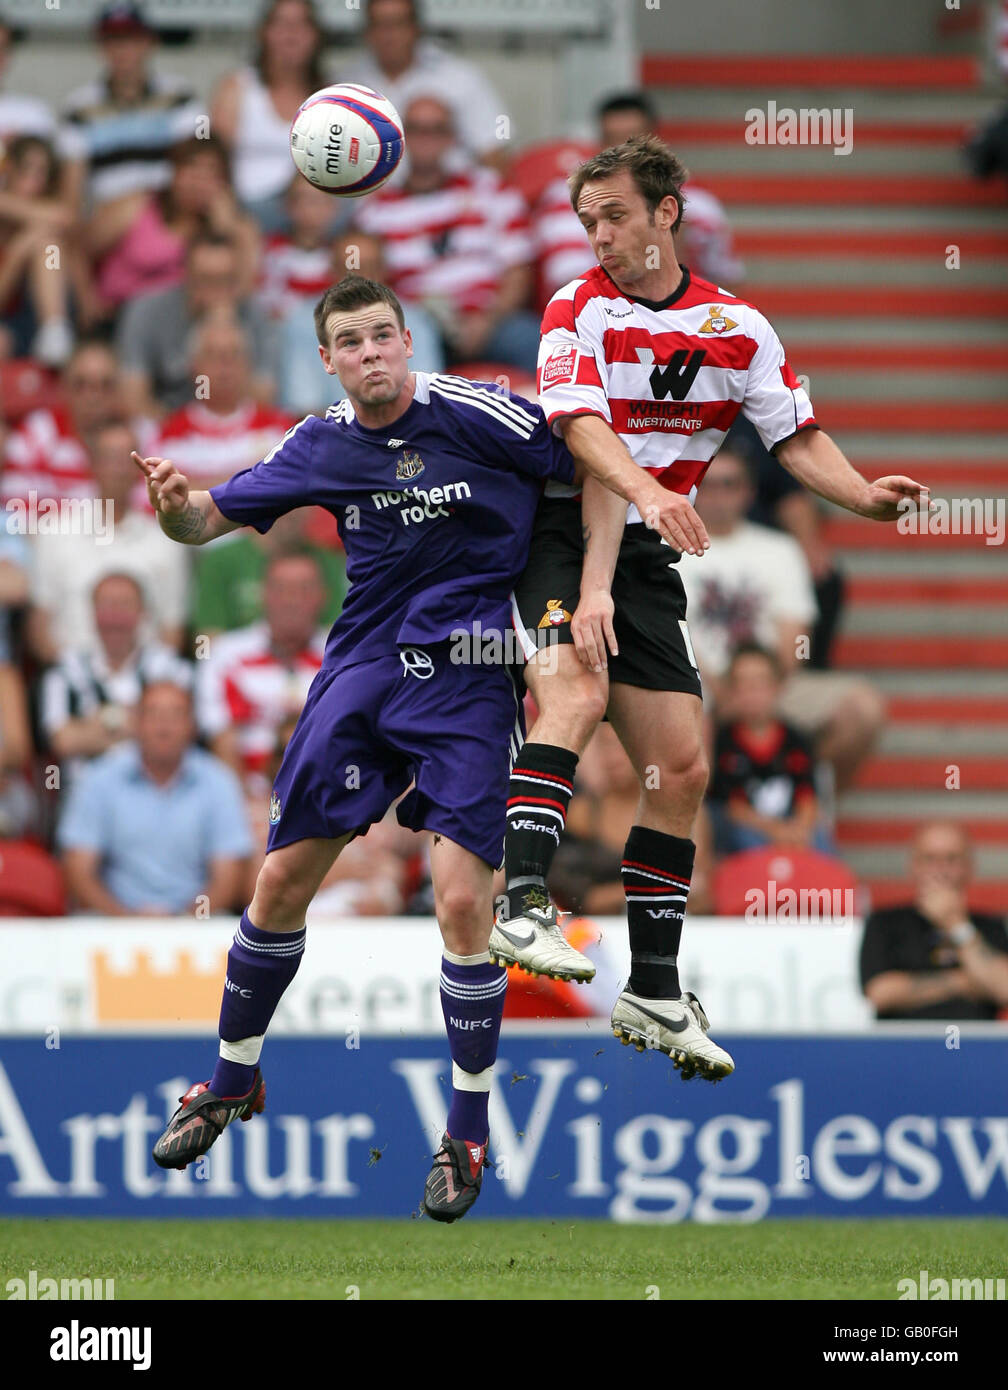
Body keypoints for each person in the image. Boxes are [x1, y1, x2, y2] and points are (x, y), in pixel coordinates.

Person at [134, 271, 685, 1220]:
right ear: (327, 361)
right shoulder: (321, 442)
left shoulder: (483, 417)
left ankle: (466, 1133)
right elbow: (204, 520)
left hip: (469, 678)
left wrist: (592, 586)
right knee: (278, 886)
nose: (372, 354)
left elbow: (590, 462)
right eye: (351, 343)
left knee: (463, 903)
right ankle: (230, 1079)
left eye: (384, 335)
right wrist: (175, 506)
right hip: (363, 673)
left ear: (407, 340)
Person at [489, 135, 931, 1084]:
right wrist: (645, 495)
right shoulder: (578, 309)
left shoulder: (740, 326)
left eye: (614, 216)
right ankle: (522, 901)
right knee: (572, 695)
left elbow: (793, 434)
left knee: (682, 766)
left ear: (667, 213)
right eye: (587, 221)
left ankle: (652, 987)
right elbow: (579, 427)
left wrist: (859, 496)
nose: (598, 236)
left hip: (645, 538)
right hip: (556, 527)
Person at [679, 445, 885, 792]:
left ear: (748, 491)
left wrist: (759, 692)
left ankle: (796, 787)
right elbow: (675, 634)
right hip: (695, 691)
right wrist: (723, 695)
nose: (718, 495)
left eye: (729, 483)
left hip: (773, 687)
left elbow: (794, 638)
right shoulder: (666, 550)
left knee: (863, 709)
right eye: (708, 484)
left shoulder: (781, 549)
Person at [354, 94, 539, 371]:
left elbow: (518, 269)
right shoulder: (375, 209)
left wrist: (487, 319)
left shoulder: (489, 189)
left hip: (491, 320)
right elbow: (369, 283)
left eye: (436, 129)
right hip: (416, 329)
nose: (426, 138)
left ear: (452, 137)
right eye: (416, 130)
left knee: (537, 340)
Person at [532, 92, 743, 313]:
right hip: (600, 324)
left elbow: (727, 280)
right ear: (600, 143)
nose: (622, 151)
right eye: (613, 140)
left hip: (686, 325)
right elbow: (569, 283)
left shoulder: (699, 203)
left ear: (654, 141)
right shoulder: (567, 199)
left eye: (632, 140)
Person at [58, 679, 252, 916]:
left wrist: (182, 922)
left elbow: (229, 876)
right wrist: (126, 921)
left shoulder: (219, 782)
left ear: (192, 725)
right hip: (111, 922)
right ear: (136, 723)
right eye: (154, 714)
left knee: (230, 932)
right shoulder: (98, 779)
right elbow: (78, 871)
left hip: (197, 924)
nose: (164, 726)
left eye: (176, 715)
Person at [27, 418, 188, 662]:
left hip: (144, 686)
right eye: (110, 458)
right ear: (92, 464)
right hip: (71, 680)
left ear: (142, 470)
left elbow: (172, 631)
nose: (119, 469)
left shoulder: (167, 542)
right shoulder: (53, 533)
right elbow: (39, 628)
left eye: (128, 460)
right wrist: (77, 678)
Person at [40, 570, 192, 790]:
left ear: (143, 613)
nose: (115, 618)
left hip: (158, 793)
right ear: (92, 613)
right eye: (107, 606)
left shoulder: (172, 668)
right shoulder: (64, 669)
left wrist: (95, 725)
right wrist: (139, 722)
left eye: (124, 605)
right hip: (85, 798)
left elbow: (178, 737)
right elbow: (63, 741)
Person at [195, 548, 328, 795]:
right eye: (281, 589)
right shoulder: (226, 654)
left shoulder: (342, 657)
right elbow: (222, 741)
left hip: (328, 797)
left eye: (304, 589)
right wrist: (247, 807)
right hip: (247, 799)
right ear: (263, 594)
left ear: (324, 596)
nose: (292, 600)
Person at [85, 134, 261, 320]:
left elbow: (244, 293)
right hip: (116, 314)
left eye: (210, 173)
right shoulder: (135, 206)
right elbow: (78, 251)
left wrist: (225, 230)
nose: (198, 181)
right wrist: (87, 300)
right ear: (173, 171)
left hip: (190, 324)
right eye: (191, 168)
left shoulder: (240, 229)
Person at [276, 227, 444, 414]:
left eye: (369, 268)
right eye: (350, 269)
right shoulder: (302, 324)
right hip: (331, 436)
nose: (360, 280)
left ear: (384, 271)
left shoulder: (415, 321)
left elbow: (424, 400)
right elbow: (303, 409)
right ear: (332, 271)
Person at [116, 231, 278, 417]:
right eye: (207, 280)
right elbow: (133, 398)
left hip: (235, 432)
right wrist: (181, 433)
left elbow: (262, 400)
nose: (217, 291)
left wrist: (227, 335)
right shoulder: (148, 311)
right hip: (166, 426)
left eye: (226, 280)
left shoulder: (255, 315)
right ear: (186, 277)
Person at [59, 2, 202, 212]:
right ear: (101, 48)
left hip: (168, 217)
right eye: (114, 40)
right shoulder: (78, 108)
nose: (123, 49)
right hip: (107, 222)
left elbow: (199, 163)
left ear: (149, 42)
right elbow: (70, 195)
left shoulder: (180, 96)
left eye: (131, 38)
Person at [860, 821, 1008, 1020]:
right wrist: (965, 982)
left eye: (952, 859)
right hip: (902, 1045)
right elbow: (880, 994)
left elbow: (1004, 988)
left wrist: (957, 924)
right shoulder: (884, 922)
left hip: (975, 1045)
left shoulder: (989, 925)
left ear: (970, 867)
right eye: (930, 859)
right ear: (913, 866)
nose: (941, 869)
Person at [346, 0, 512, 170]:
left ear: (417, 28)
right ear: (366, 32)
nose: (388, 35)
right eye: (379, 25)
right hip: (368, 195)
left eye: (398, 24)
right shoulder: (346, 85)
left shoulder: (459, 77)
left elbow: (493, 153)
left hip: (449, 193)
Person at [211, 0, 330, 231]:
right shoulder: (237, 88)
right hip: (248, 214)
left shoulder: (333, 96)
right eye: (282, 24)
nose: (291, 34)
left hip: (314, 217)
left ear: (316, 35)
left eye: (301, 24)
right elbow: (214, 165)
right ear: (264, 32)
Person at [706, 643, 833, 857]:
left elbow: (807, 796)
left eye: (759, 683)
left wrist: (800, 828)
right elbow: (729, 806)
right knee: (747, 842)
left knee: (820, 844)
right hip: (746, 829)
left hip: (792, 824)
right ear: (730, 691)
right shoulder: (723, 741)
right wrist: (775, 831)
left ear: (778, 687)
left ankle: (831, 891)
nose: (752, 693)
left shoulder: (796, 739)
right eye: (742, 685)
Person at [150, 312, 295, 490]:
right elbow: (160, 499)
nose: (225, 364)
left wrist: (200, 488)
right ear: (194, 366)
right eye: (213, 355)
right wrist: (252, 480)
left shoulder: (281, 430)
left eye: (234, 354)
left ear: (248, 364)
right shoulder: (168, 434)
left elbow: (292, 496)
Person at [0, 135, 77, 365]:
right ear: (9, 168)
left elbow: (64, 218)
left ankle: (55, 330)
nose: (35, 179)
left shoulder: (49, 214)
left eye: (43, 171)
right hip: (7, 319)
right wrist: (17, 253)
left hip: (42, 314)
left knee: (48, 245)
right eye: (27, 168)